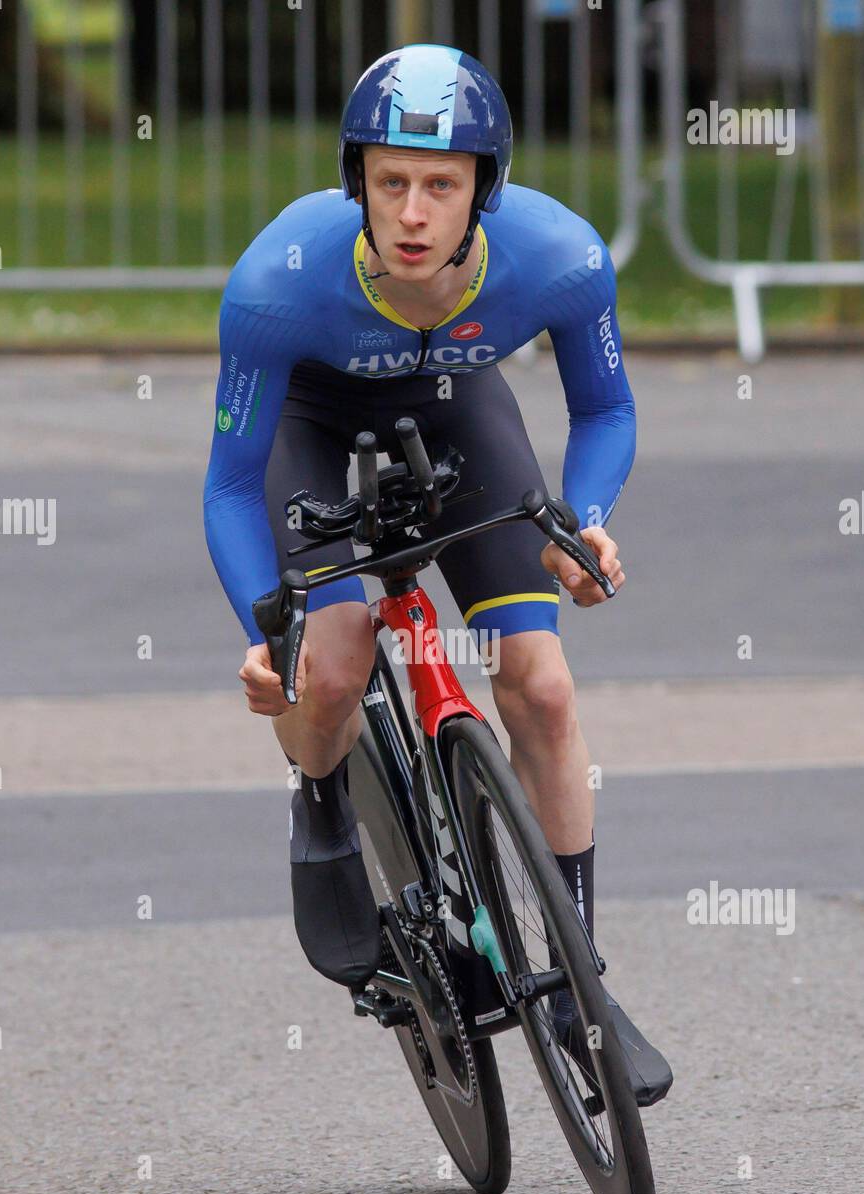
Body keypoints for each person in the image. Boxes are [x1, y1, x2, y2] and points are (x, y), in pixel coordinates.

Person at [204, 44, 672, 1106]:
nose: (413, 212)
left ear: (484, 190)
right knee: (332, 660)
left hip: (459, 404)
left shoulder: (561, 259)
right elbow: (232, 485)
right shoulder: (276, 284)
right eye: (390, 182)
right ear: (355, 181)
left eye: (442, 184)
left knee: (542, 686)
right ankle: (319, 795)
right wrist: (265, 630)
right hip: (311, 430)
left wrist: (583, 525)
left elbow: (603, 410)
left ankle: (577, 989)